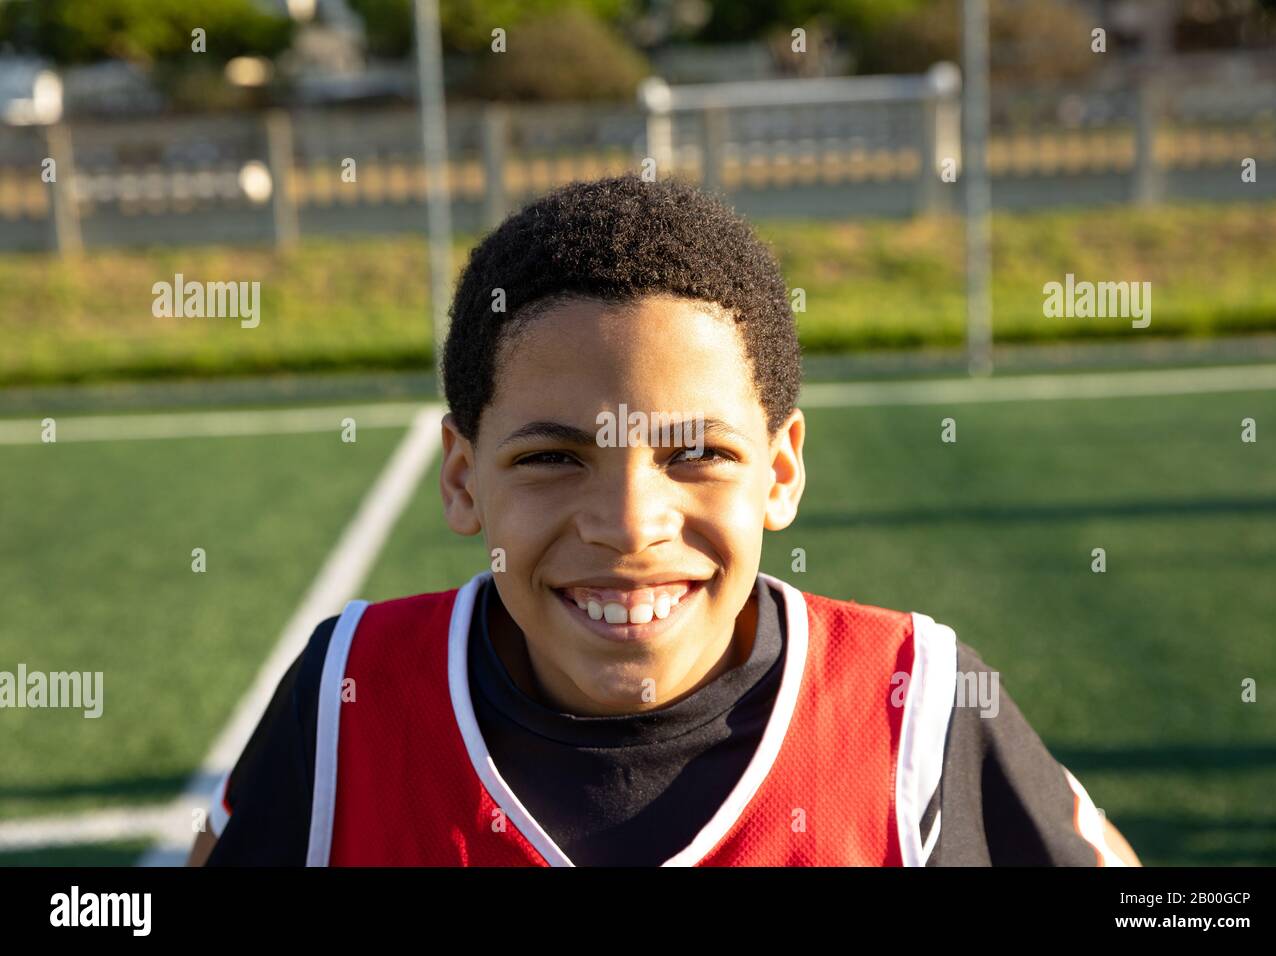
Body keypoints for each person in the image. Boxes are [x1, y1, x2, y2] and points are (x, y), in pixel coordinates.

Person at [189, 174, 1140, 867]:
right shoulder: (348, 699)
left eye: (697, 454)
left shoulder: (912, 706)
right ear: (462, 478)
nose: (629, 523)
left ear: (780, 470)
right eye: (553, 458)